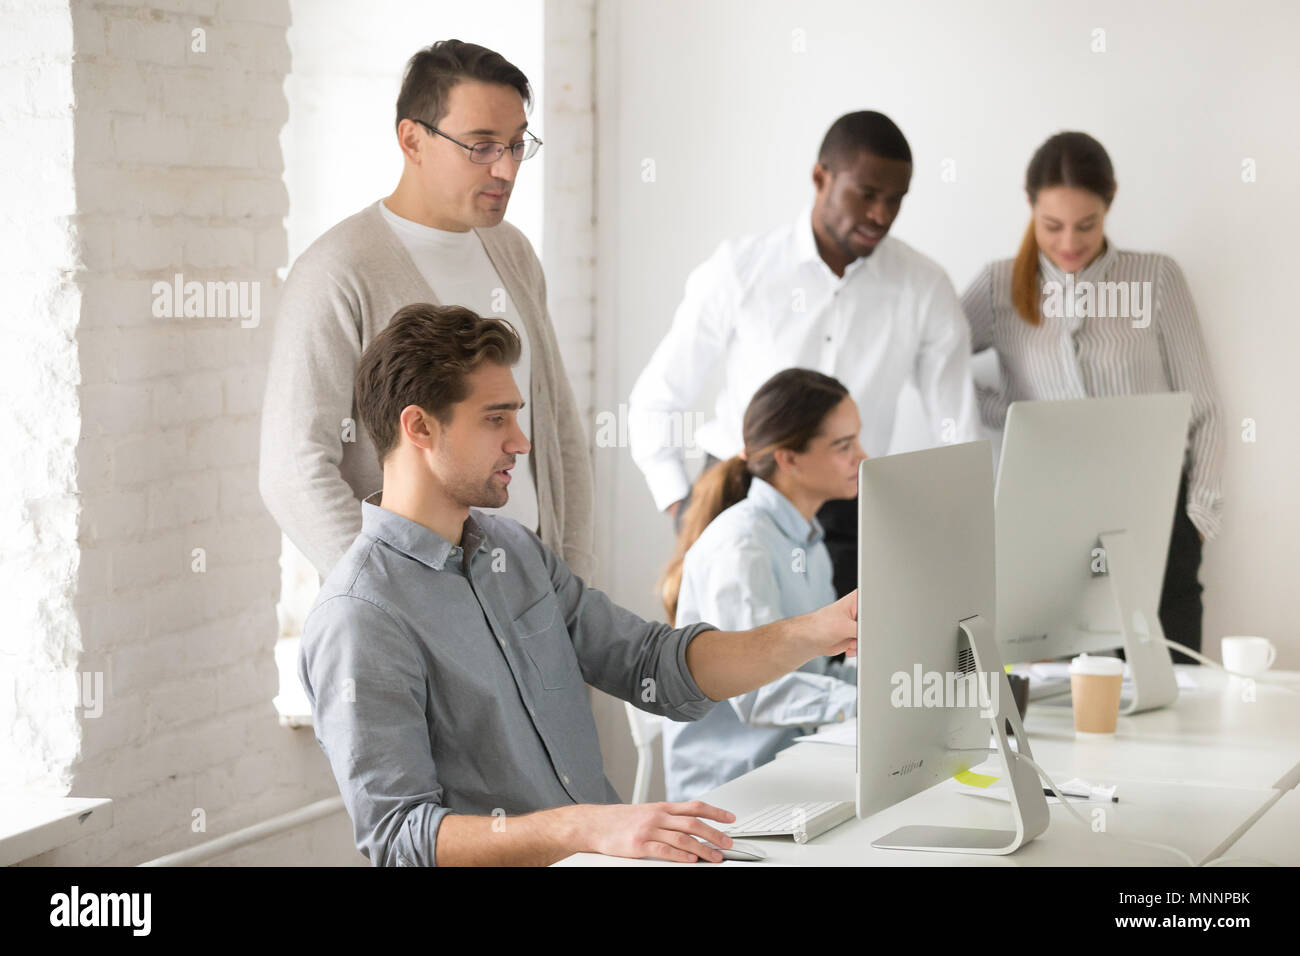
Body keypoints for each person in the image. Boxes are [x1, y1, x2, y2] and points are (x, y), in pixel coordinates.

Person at [299, 304, 859, 866]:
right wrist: (584, 827)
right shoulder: (360, 616)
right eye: (496, 419)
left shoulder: (514, 552)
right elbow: (400, 840)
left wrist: (815, 631)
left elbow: (653, 665)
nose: (521, 442)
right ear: (419, 427)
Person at [259, 39, 594, 582]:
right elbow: (292, 470)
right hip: (420, 609)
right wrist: (399, 599)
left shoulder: (512, 251)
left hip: (533, 587)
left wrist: (574, 582)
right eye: (481, 146)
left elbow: (558, 431)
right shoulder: (339, 270)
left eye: (515, 145)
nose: (506, 170)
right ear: (412, 140)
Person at [628, 110, 979, 599]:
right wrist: (681, 506)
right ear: (821, 177)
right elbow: (657, 398)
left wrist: (954, 540)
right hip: (736, 499)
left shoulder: (924, 286)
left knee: (843, 671)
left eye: (896, 200)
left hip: (850, 517)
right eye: (868, 195)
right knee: (731, 669)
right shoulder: (741, 268)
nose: (881, 215)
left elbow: (956, 435)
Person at [961, 131, 1223, 661]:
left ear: (1110, 205)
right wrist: (1014, 415)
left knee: (1173, 680)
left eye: (1087, 224)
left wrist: (1197, 519)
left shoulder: (1155, 279)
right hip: (1046, 513)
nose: (1069, 243)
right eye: (1051, 226)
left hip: (1155, 510)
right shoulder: (996, 287)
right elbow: (935, 364)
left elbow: (1206, 410)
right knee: (1055, 691)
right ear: (1029, 206)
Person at [658, 369, 865, 800]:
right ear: (790, 459)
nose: (861, 457)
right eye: (844, 446)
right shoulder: (742, 547)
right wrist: (875, 705)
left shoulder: (806, 538)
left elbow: (819, 669)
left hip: (798, 761)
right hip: (734, 790)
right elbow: (761, 696)